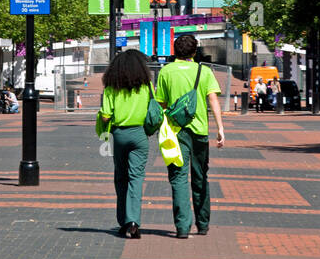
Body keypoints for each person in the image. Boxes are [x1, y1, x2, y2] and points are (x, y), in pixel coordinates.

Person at [155, 35, 224, 238]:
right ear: (195, 52)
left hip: (175, 132)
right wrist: (220, 128)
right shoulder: (204, 71)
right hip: (200, 131)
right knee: (200, 176)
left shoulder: (166, 71)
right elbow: (213, 99)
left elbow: (161, 103)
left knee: (178, 177)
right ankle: (203, 223)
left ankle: (182, 227)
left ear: (175, 51)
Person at [96, 49, 157, 239]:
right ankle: (134, 221)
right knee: (136, 178)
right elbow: (153, 107)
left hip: (120, 134)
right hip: (140, 135)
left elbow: (106, 116)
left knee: (121, 177)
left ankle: (123, 220)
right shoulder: (146, 85)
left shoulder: (111, 87)